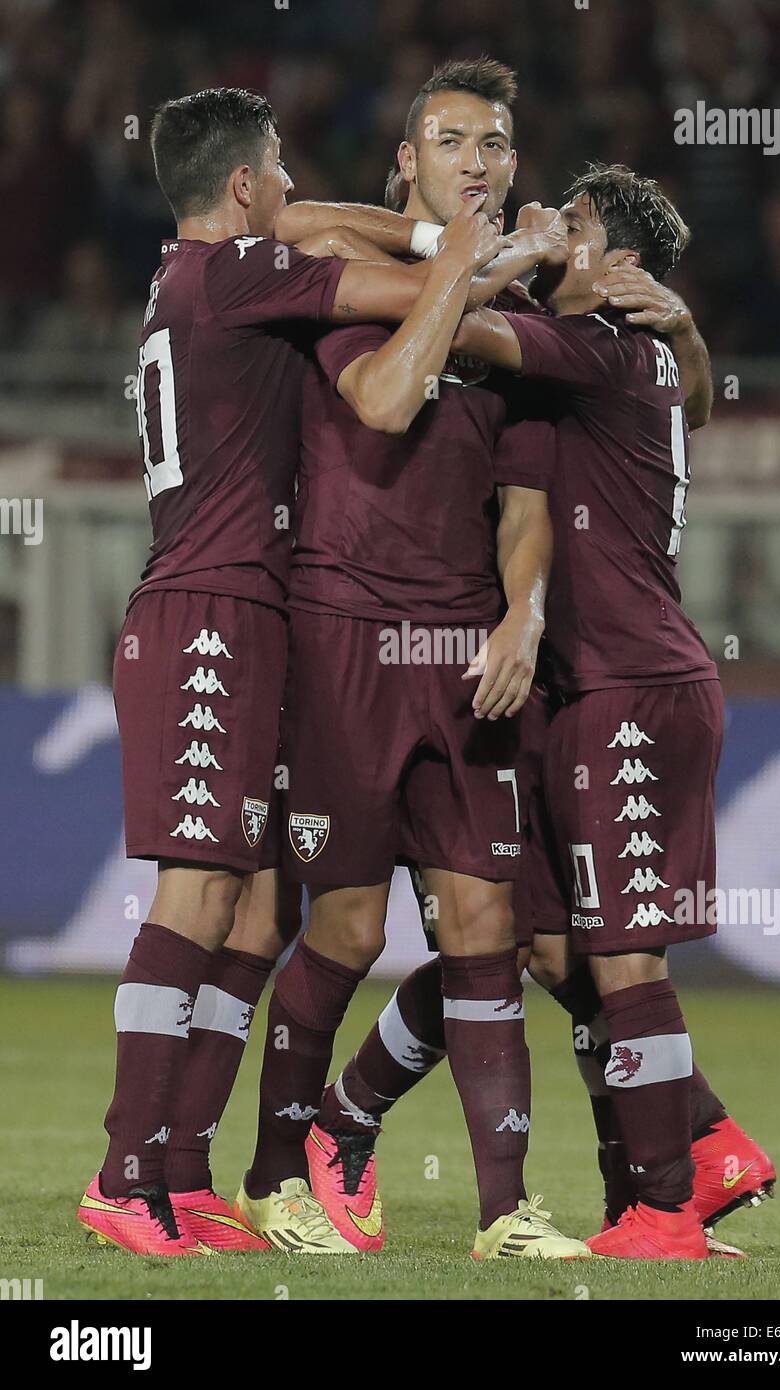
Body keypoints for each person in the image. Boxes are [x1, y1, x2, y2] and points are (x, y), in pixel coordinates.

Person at [77, 84, 516, 1258]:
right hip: (208, 614)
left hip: (245, 614)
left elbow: (323, 224)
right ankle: (124, 1174)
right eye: (274, 169)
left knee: (253, 900)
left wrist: (433, 236)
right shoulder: (238, 277)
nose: (290, 189)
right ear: (239, 189)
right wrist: (471, 261)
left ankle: (181, 1171)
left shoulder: (199, 278)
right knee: (196, 893)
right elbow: (383, 293)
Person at [309, 163, 775, 1261]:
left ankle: (665, 1203)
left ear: (613, 268)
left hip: (621, 688)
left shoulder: (593, 355)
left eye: (569, 224)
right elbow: (692, 397)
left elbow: (452, 330)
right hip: (578, 691)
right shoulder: (646, 357)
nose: (544, 227)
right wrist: (686, 329)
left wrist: (466, 249)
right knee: (540, 944)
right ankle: (684, 1154)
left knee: (620, 958)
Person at [235, 58, 593, 1261]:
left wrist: (523, 617)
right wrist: (456, 259)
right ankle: (277, 1176)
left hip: (467, 655)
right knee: (340, 930)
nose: (478, 159)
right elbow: (386, 400)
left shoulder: (526, 333)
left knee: (483, 923)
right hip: (342, 637)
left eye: (493, 142)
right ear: (410, 165)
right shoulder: (348, 288)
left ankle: (505, 1211)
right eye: (450, 141)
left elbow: (528, 505)